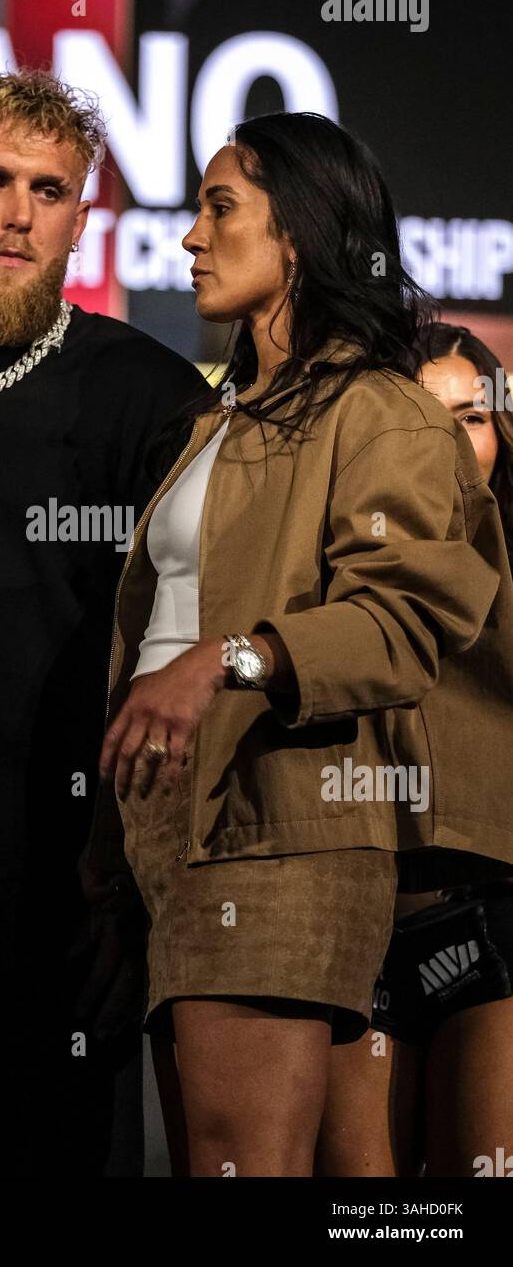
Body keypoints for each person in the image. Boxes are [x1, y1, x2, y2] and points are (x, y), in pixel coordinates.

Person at [85, 112, 513, 1177]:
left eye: (218, 205)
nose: (187, 235)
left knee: (246, 1165)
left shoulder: (380, 412)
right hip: (170, 832)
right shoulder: (221, 421)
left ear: (299, 237)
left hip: (281, 822)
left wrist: (228, 659)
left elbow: (401, 620)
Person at [0, 69, 208, 1176]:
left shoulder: (151, 395)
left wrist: (138, 883)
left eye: (49, 189)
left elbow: (193, 648)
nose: (19, 214)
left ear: (83, 212)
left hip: (67, 895)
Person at [317, 322, 513, 1178]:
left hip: (496, 919)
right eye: (423, 421)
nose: (452, 446)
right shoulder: (324, 565)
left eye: (471, 420)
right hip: (352, 930)